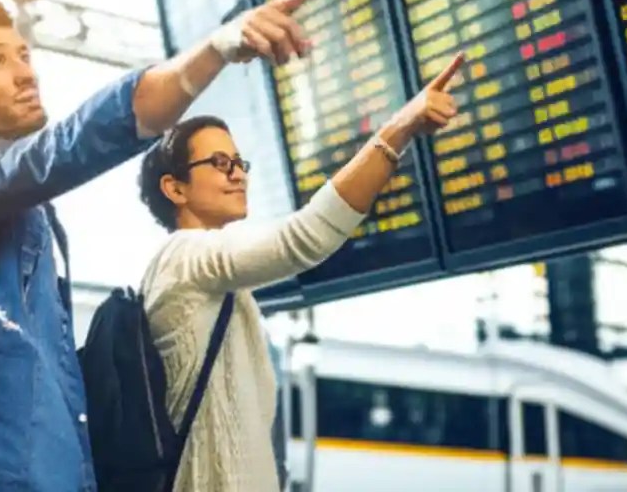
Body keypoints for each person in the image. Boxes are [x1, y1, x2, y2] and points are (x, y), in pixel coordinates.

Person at [0, 0, 321, 492]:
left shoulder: (18, 208)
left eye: (22, 54)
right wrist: (213, 50)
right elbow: (62, 150)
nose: (25, 72)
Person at [136, 53, 465, 491]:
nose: (238, 175)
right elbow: (304, 237)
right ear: (174, 187)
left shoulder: (215, 282)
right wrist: (398, 131)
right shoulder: (185, 256)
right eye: (219, 163)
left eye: (240, 163)